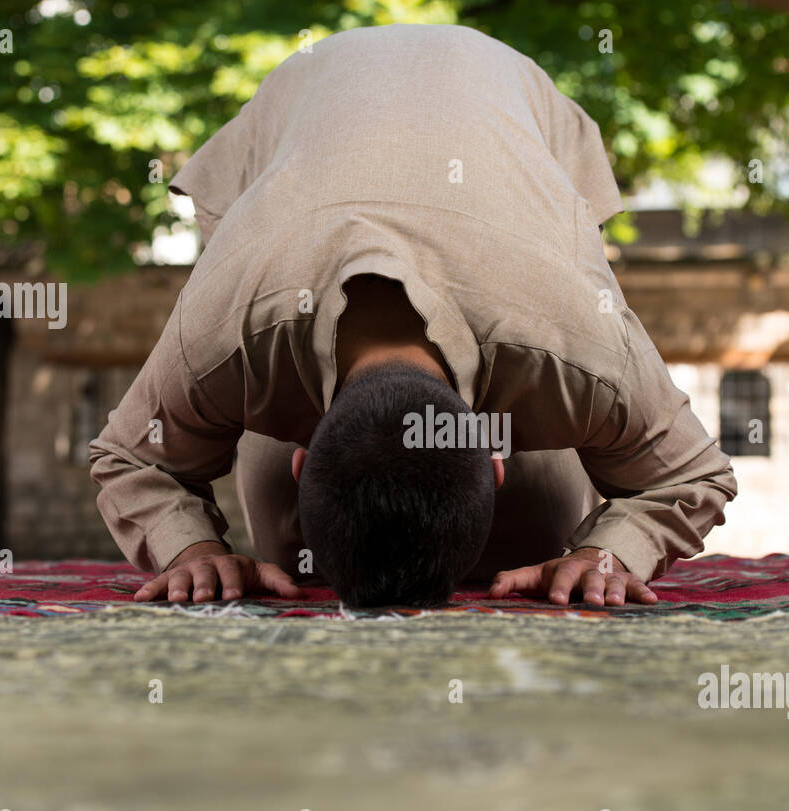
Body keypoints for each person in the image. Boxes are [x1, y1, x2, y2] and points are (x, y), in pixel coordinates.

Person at [89, 23, 736, 608]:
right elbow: (131, 454)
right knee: (302, 555)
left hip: (509, 98)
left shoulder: (576, 345)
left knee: (541, 530)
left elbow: (695, 470)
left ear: (496, 453)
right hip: (301, 106)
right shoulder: (228, 331)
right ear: (300, 451)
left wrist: (605, 555)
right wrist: (195, 554)